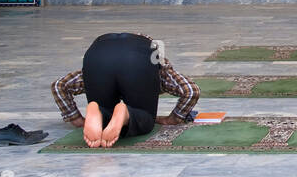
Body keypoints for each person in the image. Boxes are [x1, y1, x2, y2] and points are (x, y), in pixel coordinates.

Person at [51, 32, 199, 148]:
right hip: (138, 63)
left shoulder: (102, 56)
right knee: (146, 119)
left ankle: (96, 109)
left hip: (96, 57)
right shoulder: (157, 62)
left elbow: (59, 86)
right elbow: (191, 91)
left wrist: (76, 119)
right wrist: (172, 119)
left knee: (105, 115)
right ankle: (125, 112)